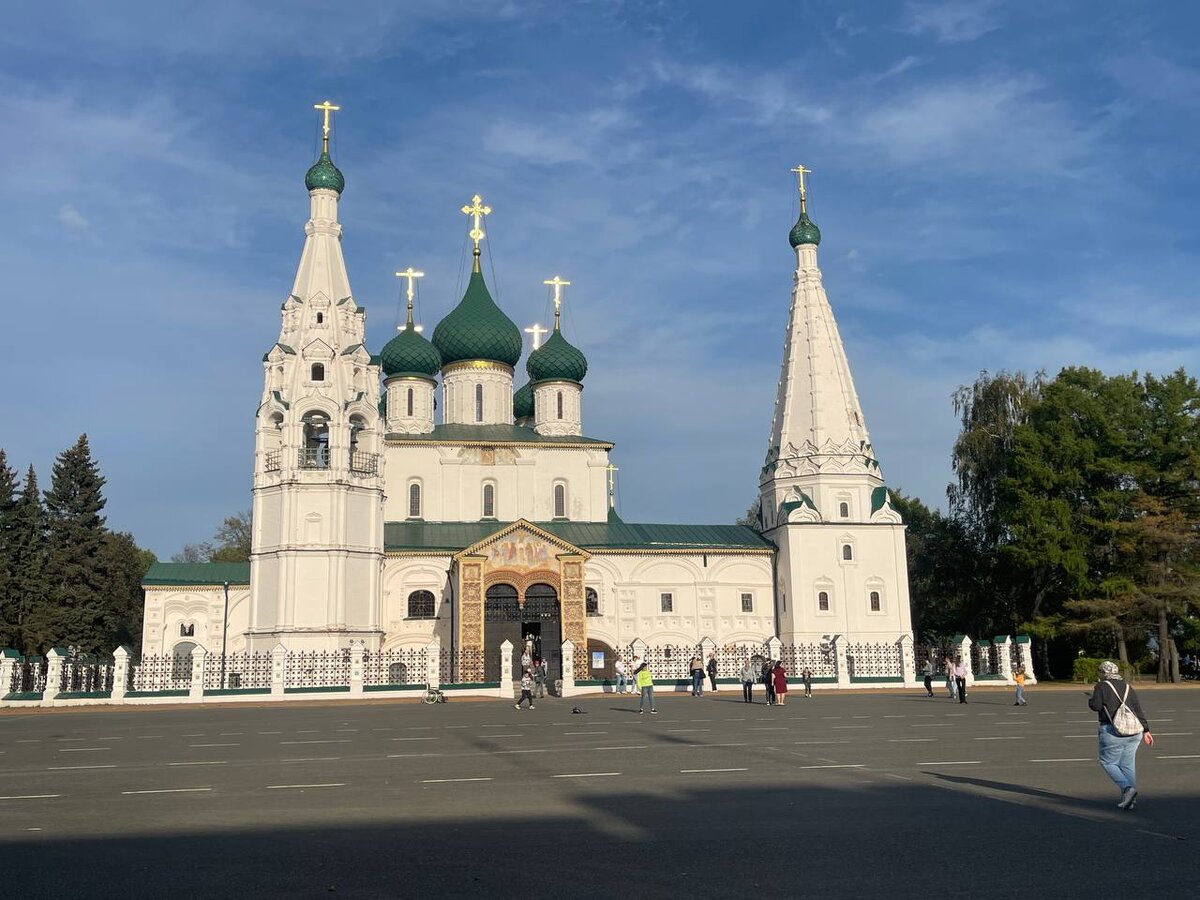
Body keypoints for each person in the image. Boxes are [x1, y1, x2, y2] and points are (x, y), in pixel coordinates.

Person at [1088, 660, 1153, 809]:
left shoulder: (1101, 686)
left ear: (1103, 673)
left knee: (1108, 762)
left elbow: (1096, 706)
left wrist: (1090, 700)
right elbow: (1138, 709)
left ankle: (1127, 789)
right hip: (1134, 731)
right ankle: (1130, 800)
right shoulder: (1128, 687)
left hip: (1113, 730)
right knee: (1128, 765)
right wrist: (1146, 730)